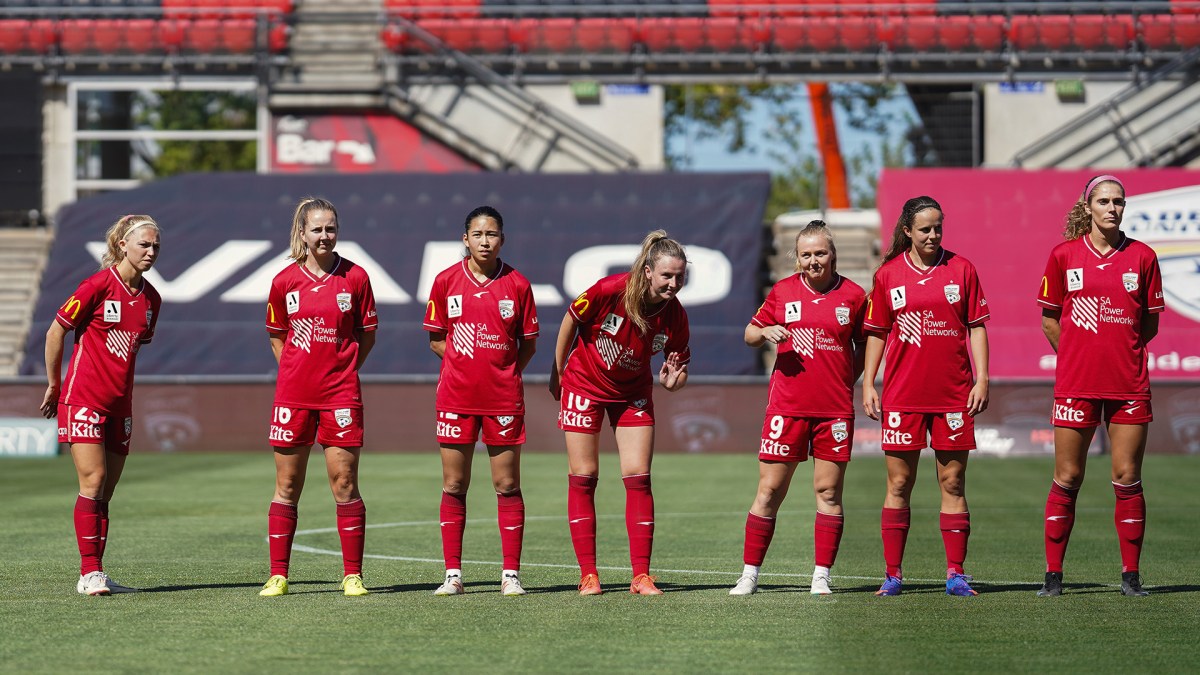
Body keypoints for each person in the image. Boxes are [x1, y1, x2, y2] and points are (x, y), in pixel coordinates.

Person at [1035, 175, 1162, 598]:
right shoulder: (1063, 256)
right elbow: (1050, 320)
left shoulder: (1143, 257)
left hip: (1129, 385)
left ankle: (1131, 576)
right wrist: (1077, 354)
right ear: (1088, 206)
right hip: (1077, 383)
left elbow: (1148, 325)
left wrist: (1121, 352)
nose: (1112, 208)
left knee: (1127, 476)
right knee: (1068, 476)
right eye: (1104, 201)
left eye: (1119, 202)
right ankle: (1053, 576)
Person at [729, 221, 867, 597]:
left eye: (820, 253)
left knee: (828, 492)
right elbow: (749, 333)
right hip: (786, 408)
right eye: (806, 255)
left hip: (834, 410)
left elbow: (865, 345)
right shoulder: (783, 290)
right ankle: (749, 574)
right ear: (798, 257)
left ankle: (821, 575)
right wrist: (764, 332)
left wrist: (847, 379)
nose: (813, 261)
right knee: (770, 490)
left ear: (833, 254)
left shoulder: (854, 296)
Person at [862, 196, 991, 597]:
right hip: (903, 395)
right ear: (907, 231)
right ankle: (893, 575)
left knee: (952, 481)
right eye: (925, 229)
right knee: (899, 483)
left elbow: (977, 326)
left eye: (938, 228)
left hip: (953, 395)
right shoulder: (888, 275)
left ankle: (956, 574)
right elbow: (877, 332)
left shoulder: (962, 269)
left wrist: (982, 378)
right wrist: (868, 382)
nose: (933, 235)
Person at [550, 230, 690, 596]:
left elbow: (678, 373)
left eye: (680, 277)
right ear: (648, 271)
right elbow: (570, 319)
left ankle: (641, 576)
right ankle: (588, 575)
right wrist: (558, 371)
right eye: (667, 276)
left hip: (633, 394)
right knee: (584, 476)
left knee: (638, 476)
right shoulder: (610, 290)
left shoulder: (675, 315)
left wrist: (673, 381)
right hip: (584, 386)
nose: (674, 284)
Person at [259, 197, 377, 598]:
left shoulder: (356, 277)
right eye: (317, 229)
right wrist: (297, 372)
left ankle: (352, 575)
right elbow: (277, 336)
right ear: (303, 232)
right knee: (288, 484)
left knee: (344, 481)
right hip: (293, 396)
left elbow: (367, 335)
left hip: (341, 396)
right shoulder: (284, 281)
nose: (324, 236)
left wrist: (342, 370)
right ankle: (278, 575)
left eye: (330, 228)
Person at [40, 214, 162, 596]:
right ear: (123, 245)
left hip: (120, 406)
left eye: (156, 246)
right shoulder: (96, 285)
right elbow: (56, 330)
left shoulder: (152, 300)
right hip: (83, 399)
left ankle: (97, 573)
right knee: (93, 481)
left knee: (105, 491)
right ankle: (88, 572)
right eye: (144, 244)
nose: (151, 251)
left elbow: (130, 348)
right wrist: (55, 383)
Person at [423, 206, 538, 597]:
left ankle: (511, 575)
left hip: (503, 399)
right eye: (477, 234)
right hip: (456, 397)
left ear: (502, 239)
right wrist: (464, 363)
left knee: (507, 484)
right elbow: (437, 339)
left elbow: (528, 344)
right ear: (465, 239)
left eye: (491, 234)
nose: (484, 241)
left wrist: (501, 370)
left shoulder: (517, 284)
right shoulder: (445, 281)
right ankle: (453, 574)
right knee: (455, 483)